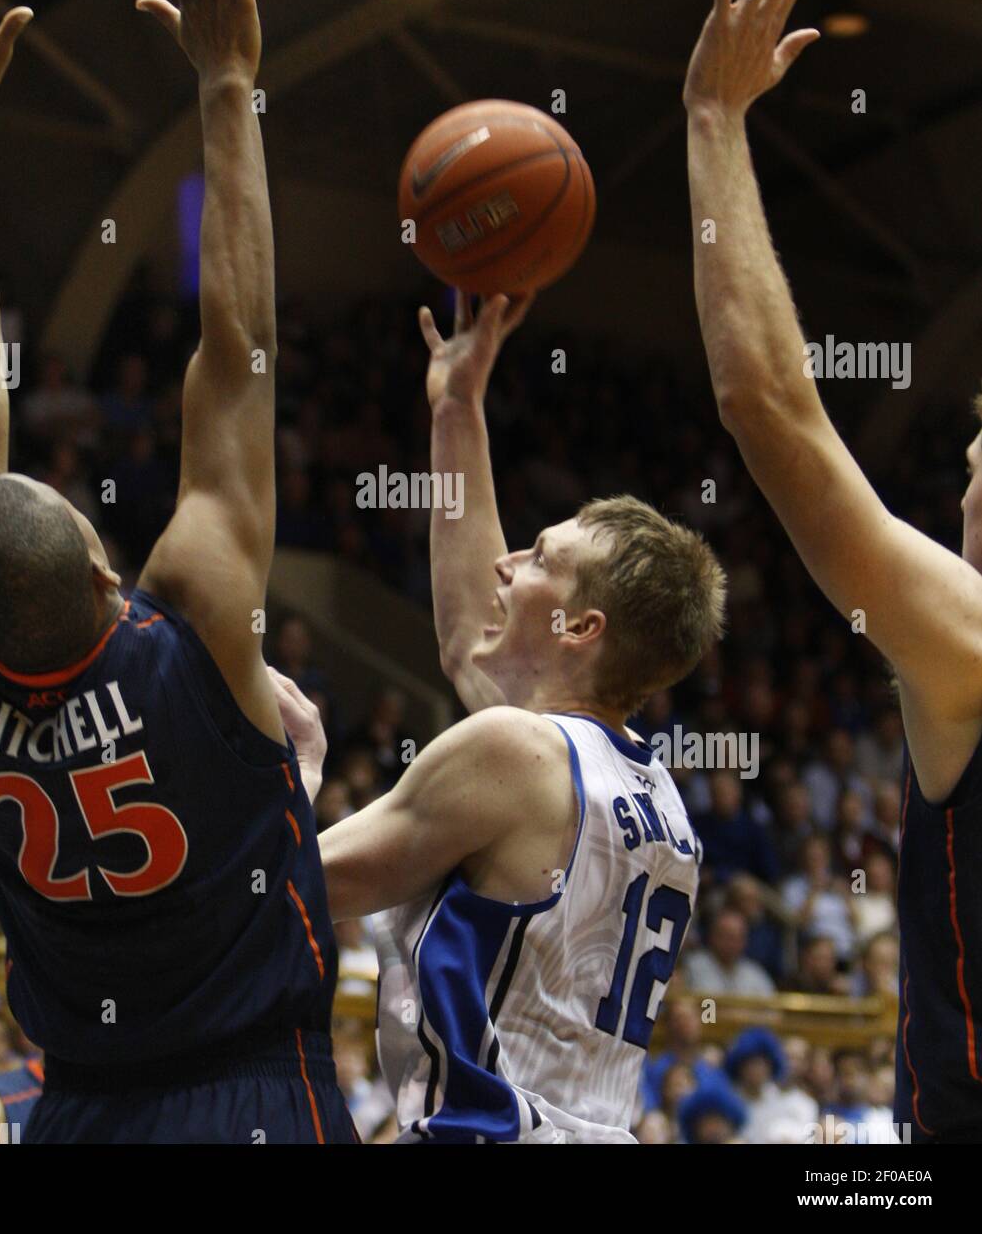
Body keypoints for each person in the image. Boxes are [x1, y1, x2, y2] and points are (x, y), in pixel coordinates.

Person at [0, 0, 352, 1144]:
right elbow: (237, 351)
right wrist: (231, 79)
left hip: (75, 1106)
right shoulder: (188, 617)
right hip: (250, 1087)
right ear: (99, 564)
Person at [684, 0, 982, 1141]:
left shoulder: (969, 647)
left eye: (976, 474)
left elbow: (768, 410)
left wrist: (711, 121)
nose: (959, 495)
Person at [301, 290, 726, 1143]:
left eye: (539, 559)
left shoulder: (518, 753)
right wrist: (458, 408)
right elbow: (471, 639)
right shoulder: (650, 795)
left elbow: (293, 883)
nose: (505, 561)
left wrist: (295, 770)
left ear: (579, 627)